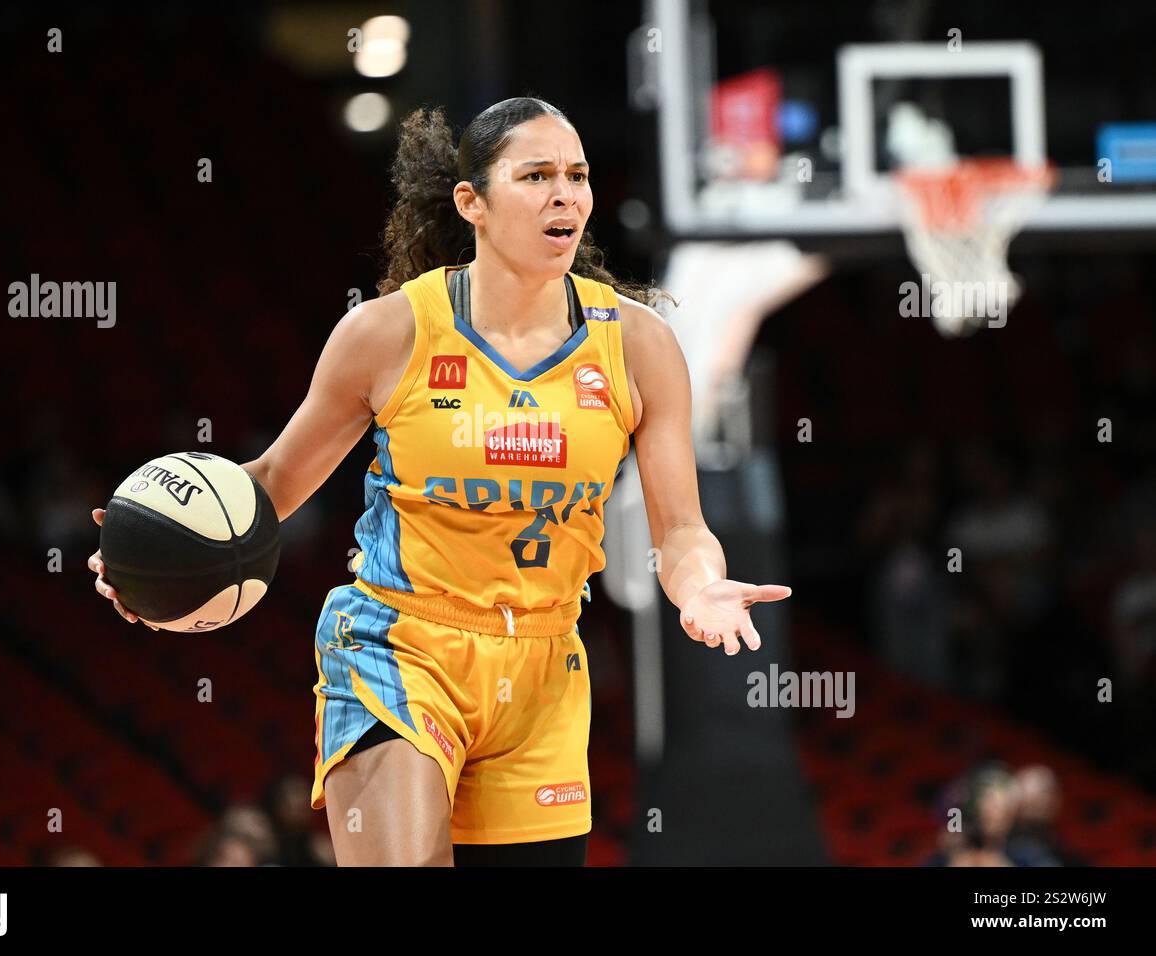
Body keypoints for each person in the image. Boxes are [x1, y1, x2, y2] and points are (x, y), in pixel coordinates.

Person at [87, 96, 792, 866]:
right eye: (537, 176)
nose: (567, 195)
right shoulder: (388, 332)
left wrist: (698, 587)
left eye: (578, 175)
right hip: (401, 647)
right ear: (472, 202)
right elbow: (271, 484)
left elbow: (680, 528)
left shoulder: (640, 346)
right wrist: (154, 558)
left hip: (544, 671)